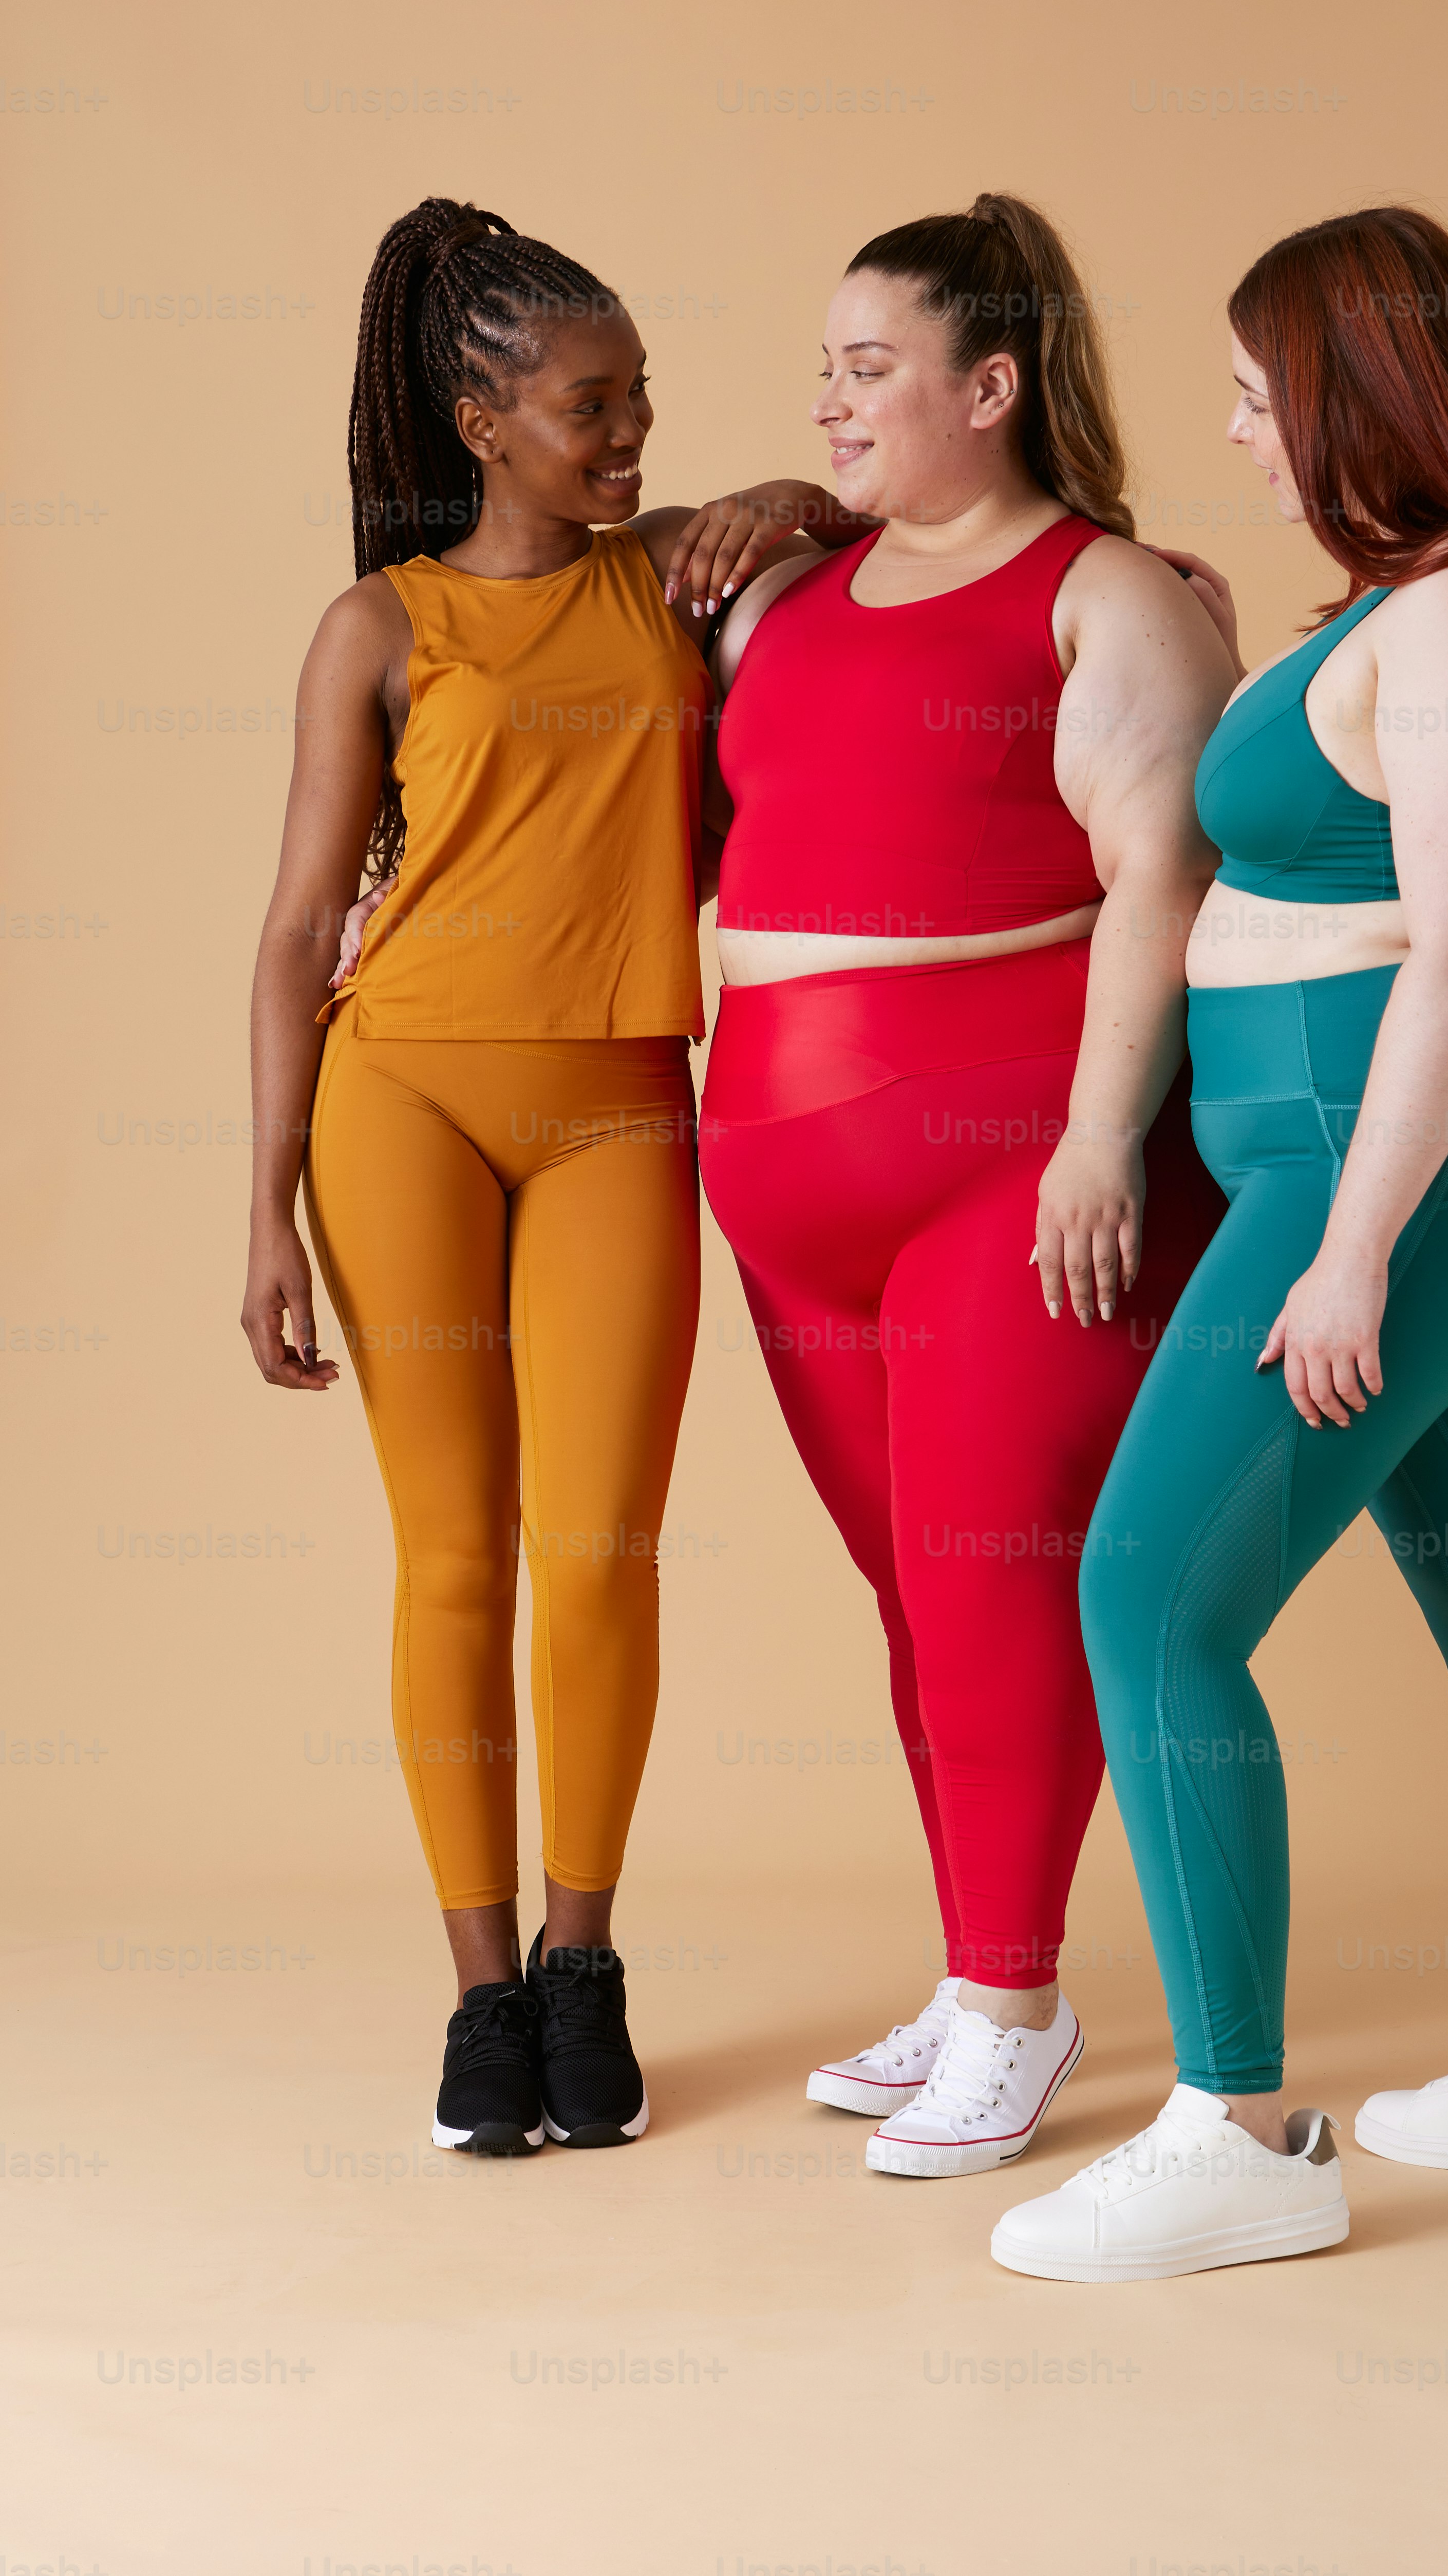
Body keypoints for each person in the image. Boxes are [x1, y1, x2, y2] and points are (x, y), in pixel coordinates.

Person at [992, 206, 1448, 2283]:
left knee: (1148, 1587)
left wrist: (1355, 1241)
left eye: (1252, 388)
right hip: (1418, 1147)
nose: (1235, 424)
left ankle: (1242, 2123)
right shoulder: (1411, 606)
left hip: (1421, 1154)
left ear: (1355, 388)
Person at [241, 198, 847, 2157]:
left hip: (620, 1107)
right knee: (456, 1553)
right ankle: (480, 1993)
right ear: (481, 416)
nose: (631, 431)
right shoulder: (379, 626)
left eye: (646, 397)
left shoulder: (668, 575)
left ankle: (586, 1962)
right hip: (397, 1096)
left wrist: (780, 491)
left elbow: (847, 538)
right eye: (595, 404)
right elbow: (290, 933)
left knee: (600, 1551)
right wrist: (262, 1206)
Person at [686, 196, 1237, 2180]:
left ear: (987, 388)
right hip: (786, 1192)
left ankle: (1011, 2002)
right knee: (916, 1600)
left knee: (999, 1590)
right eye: (821, 368)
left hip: (1010, 1173)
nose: (827, 401)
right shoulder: (788, 599)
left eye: (867, 369)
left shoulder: (1108, 596)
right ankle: (975, 1971)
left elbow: (1164, 873)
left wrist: (1101, 1140)